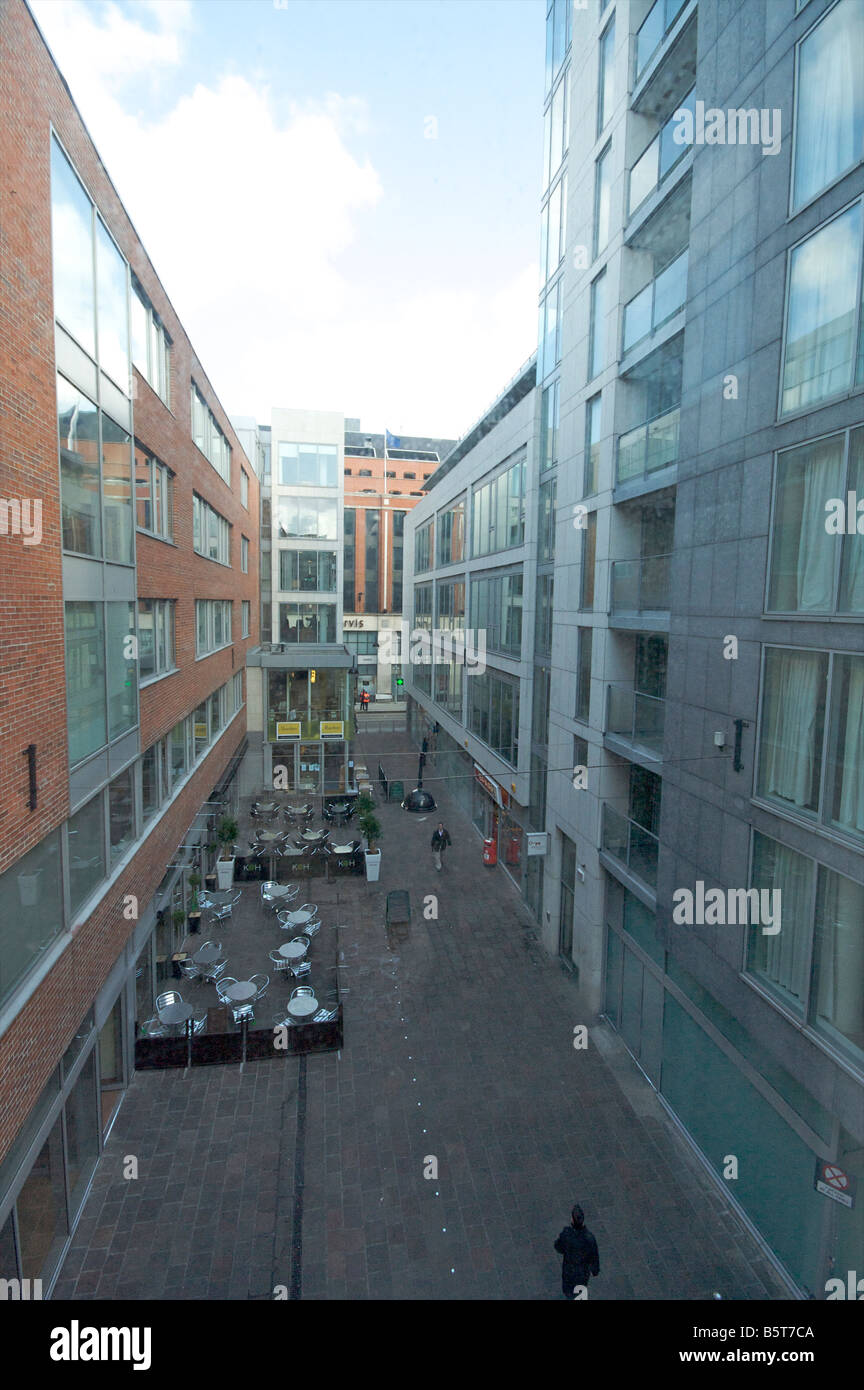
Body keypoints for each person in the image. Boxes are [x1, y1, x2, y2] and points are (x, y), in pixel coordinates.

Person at [554, 1204, 600, 1300]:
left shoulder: (567, 1235)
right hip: (583, 1272)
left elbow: (558, 1247)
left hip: (569, 1270)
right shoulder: (589, 1238)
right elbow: (594, 1255)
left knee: (569, 1291)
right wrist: (595, 1270)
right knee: (580, 1290)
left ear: (572, 1220)